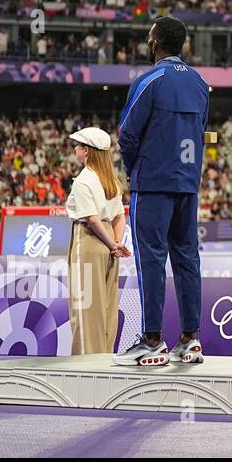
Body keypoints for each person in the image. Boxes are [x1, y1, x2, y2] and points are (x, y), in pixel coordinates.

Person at [114, 16, 210, 367]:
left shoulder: (149, 80)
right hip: (188, 183)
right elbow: (201, 128)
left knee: (151, 258)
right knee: (187, 258)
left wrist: (135, 169)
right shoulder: (200, 83)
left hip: (153, 184)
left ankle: (152, 340)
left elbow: (126, 134)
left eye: (149, 37)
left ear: (155, 43)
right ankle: (190, 338)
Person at [64, 127, 132, 354]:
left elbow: (92, 219)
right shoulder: (111, 180)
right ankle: (104, 357)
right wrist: (116, 243)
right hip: (110, 241)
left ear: (88, 152)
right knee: (107, 307)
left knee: (86, 308)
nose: (75, 148)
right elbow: (119, 215)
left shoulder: (83, 181)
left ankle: (86, 362)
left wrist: (113, 244)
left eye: (79, 145)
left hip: (90, 241)